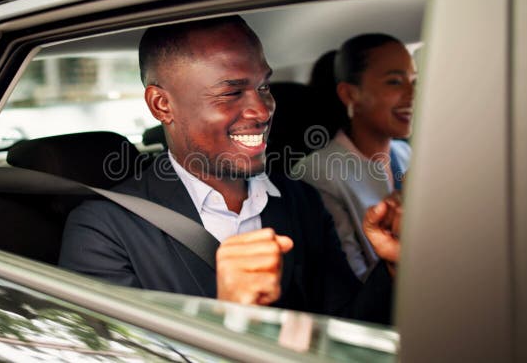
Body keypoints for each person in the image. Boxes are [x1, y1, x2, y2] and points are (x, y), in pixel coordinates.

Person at [58, 16, 401, 324]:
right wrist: (226, 316)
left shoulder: (301, 200)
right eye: (232, 92)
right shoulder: (104, 230)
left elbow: (343, 327)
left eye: (264, 87)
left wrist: (392, 265)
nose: (263, 110)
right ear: (162, 105)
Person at [292, 34, 415, 280]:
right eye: (394, 82)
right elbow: (351, 280)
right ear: (350, 95)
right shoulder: (316, 173)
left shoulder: (406, 153)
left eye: (414, 81)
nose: (412, 93)